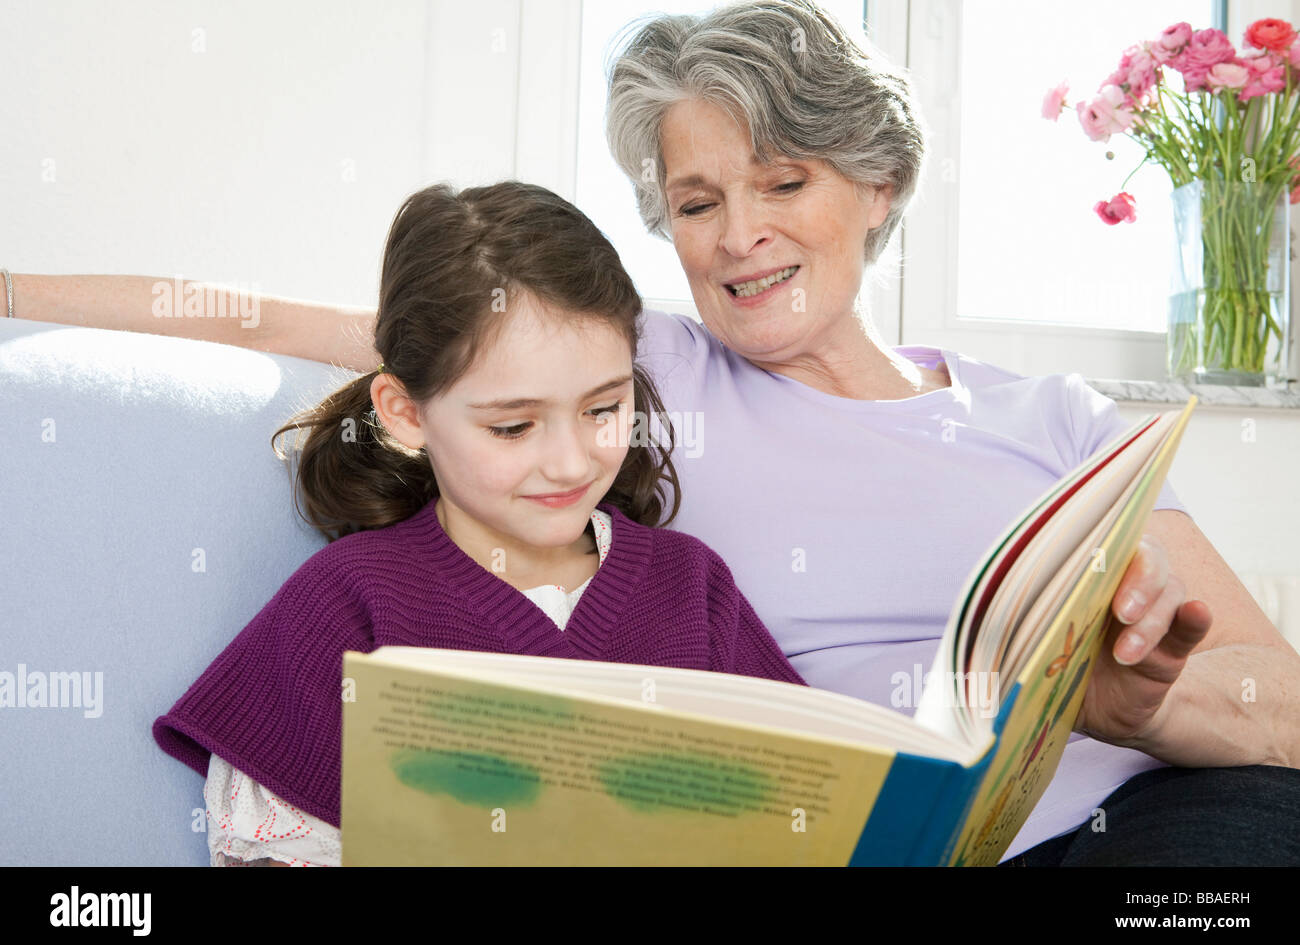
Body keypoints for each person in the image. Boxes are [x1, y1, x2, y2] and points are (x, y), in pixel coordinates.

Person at [9, 0, 1299, 865]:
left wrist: (1139, 702)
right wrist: (13, 293)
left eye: (783, 181)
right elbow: (260, 322)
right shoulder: (628, 369)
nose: (737, 233)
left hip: (1161, 813)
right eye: (695, 200)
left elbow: (1276, 705)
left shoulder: (1055, 416)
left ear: (879, 185)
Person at [150, 180, 808, 866]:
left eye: (603, 410)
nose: (570, 462)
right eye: (514, 426)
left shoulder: (689, 587)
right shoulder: (351, 604)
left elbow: (807, 809)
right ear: (406, 413)